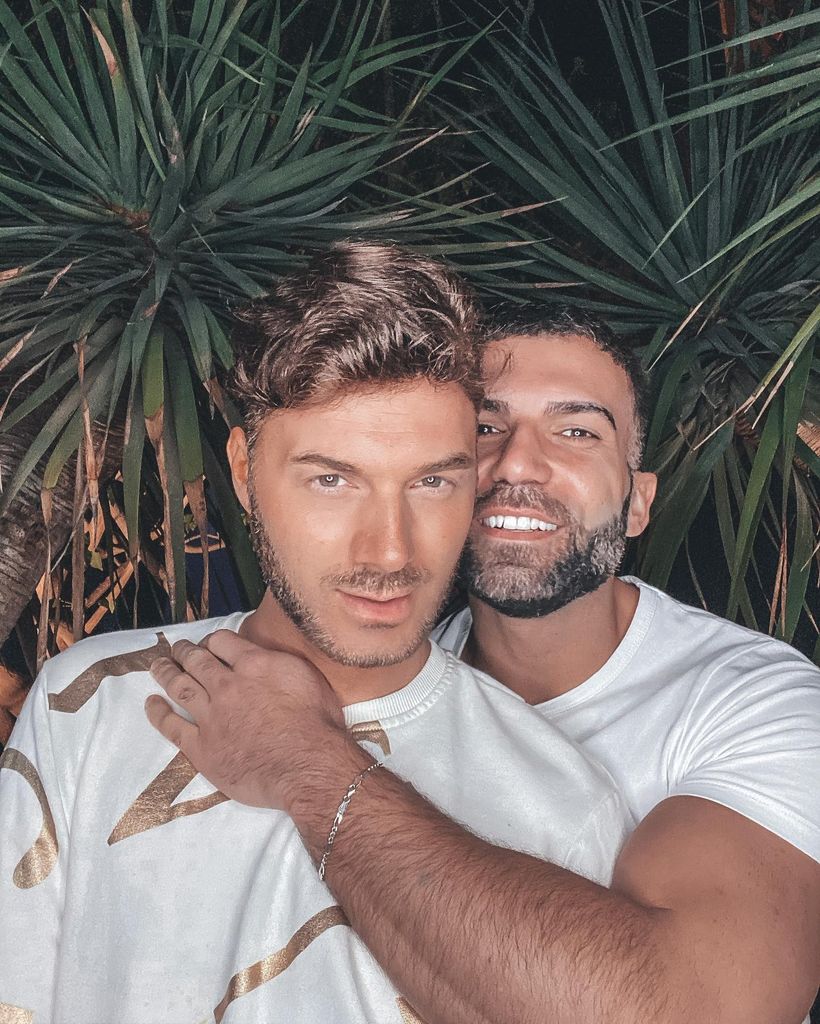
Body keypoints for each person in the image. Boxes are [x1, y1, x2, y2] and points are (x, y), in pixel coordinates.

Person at [141, 302, 820, 1024]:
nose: (518, 463)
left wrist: (307, 765)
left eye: (577, 431)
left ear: (638, 502)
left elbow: (693, 1009)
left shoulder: (762, 704)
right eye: (486, 429)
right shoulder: (378, 663)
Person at [0, 249, 629, 1023]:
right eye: (332, 480)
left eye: (433, 481)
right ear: (244, 473)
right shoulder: (91, 701)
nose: (390, 552)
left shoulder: (565, 804)